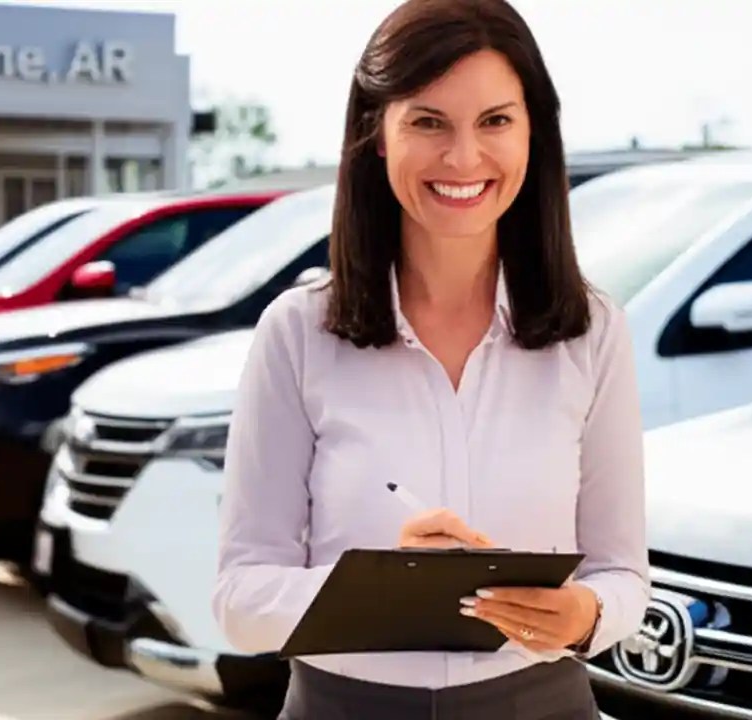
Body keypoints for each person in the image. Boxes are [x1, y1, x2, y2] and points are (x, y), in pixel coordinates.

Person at [212, 0, 650, 717]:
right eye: (428, 121)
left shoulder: (593, 332)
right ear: (376, 134)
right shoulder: (297, 332)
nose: (464, 158)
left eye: (495, 122)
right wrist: (388, 588)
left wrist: (584, 614)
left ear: (533, 133)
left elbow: (624, 576)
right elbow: (240, 597)